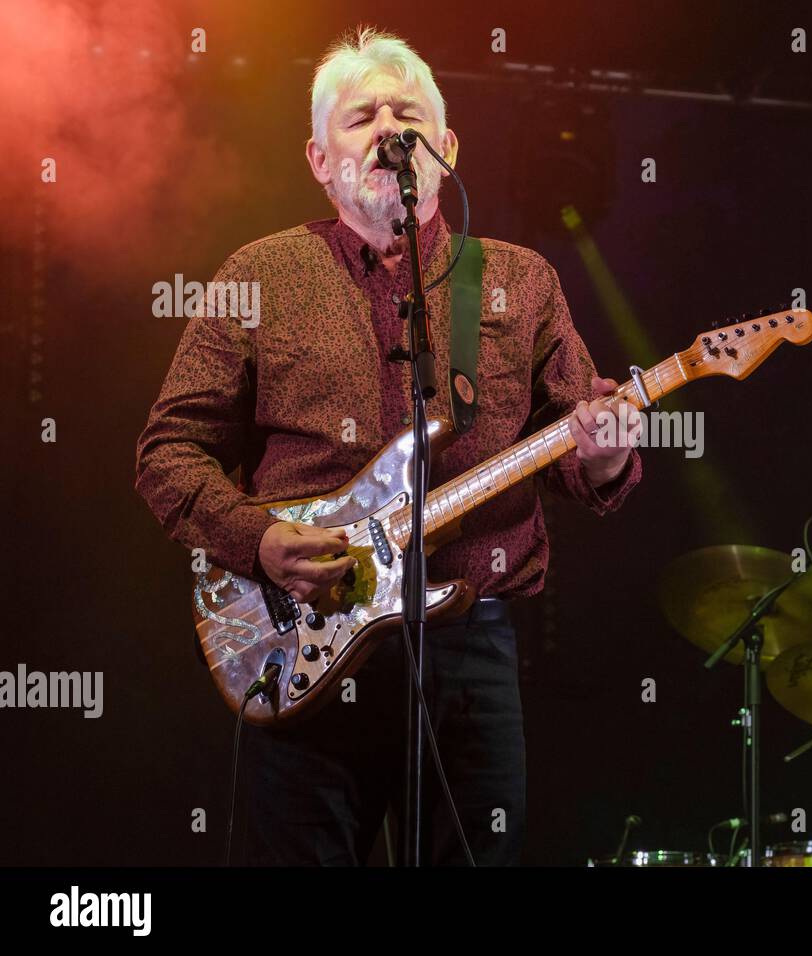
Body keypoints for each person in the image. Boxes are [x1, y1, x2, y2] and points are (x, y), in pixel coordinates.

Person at [135, 26, 642, 865]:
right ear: (319, 159)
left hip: (470, 647)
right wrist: (259, 540)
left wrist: (608, 451)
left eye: (407, 113)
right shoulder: (260, 276)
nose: (387, 128)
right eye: (359, 116)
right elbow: (167, 452)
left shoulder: (520, 281)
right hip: (304, 633)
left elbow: (587, 451)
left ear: (444, 148)